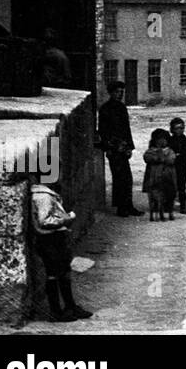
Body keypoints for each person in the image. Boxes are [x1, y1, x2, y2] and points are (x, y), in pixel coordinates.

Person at [29, 176, 92, 322]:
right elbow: (44, 220)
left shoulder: (45, 193)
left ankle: (69, 306)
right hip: (50, 239)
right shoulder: (43, 196)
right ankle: (56, 311)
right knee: (54, 274)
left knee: (63, 272)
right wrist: (66, 219)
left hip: (55, 238)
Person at [97, 80, 138, 216]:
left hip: (123, 147)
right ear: (111, 93)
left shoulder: (122, 108)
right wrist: (107, 148)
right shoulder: (105, 109)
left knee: (128, 178)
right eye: (117, 92)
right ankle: (121, 208)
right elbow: (103, 131)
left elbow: (126, 129)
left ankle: (129, 206)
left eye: (122, 92)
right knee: (119, 178)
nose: (120, 94)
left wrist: (129, 147)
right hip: (113, 148)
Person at [142, 129, 178, 221]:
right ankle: (156, 208)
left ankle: (167, 209)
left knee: (169, 192)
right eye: (159, 139)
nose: (162, 142)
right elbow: (147, 157)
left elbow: (172, 159)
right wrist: (158, 157)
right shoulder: (151, 151)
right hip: (154, 176)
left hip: (167, 176)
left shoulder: (169, 151)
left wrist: (163, 157)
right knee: (155, 192)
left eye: (164, 139)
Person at [168, 117, 186, 214]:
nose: (179, 130)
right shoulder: (169, 141)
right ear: (172, 129)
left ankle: (183, 206)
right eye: (177, 128)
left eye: (181, 128)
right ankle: (169, 205)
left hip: (182, 166)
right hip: (171, 166)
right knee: (171, 187)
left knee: (182, 187)